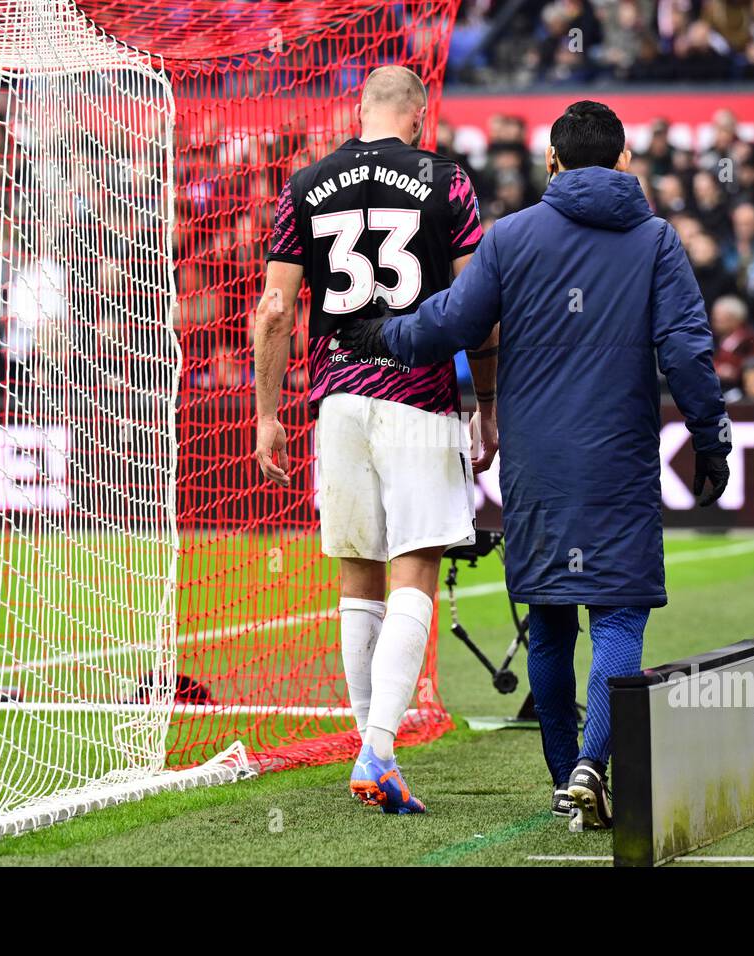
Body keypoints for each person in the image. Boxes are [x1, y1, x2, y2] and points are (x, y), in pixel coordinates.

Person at [340, 101, 731, 829]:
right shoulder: (655, 241)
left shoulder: (512, 237)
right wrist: (711, 439)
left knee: (549, 626)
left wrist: (378, 335)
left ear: (551, 161)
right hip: (619, 462)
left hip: (537, 468)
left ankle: (564, 781)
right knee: (618, 618)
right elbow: (685, 350)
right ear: (624, 163)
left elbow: (454, 323)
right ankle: (592, 764)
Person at [253, 66, 497, 815]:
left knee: (357, 578)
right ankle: (380, 748)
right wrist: (484, 404)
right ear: (418, 120)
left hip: (338, 403)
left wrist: (268, 412)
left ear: (360, 111)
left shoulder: (303, 184)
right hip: (416, 399)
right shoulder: (445, 181)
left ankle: (368, 745)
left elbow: (271, 310)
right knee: (413, 571)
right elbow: (479, 309)